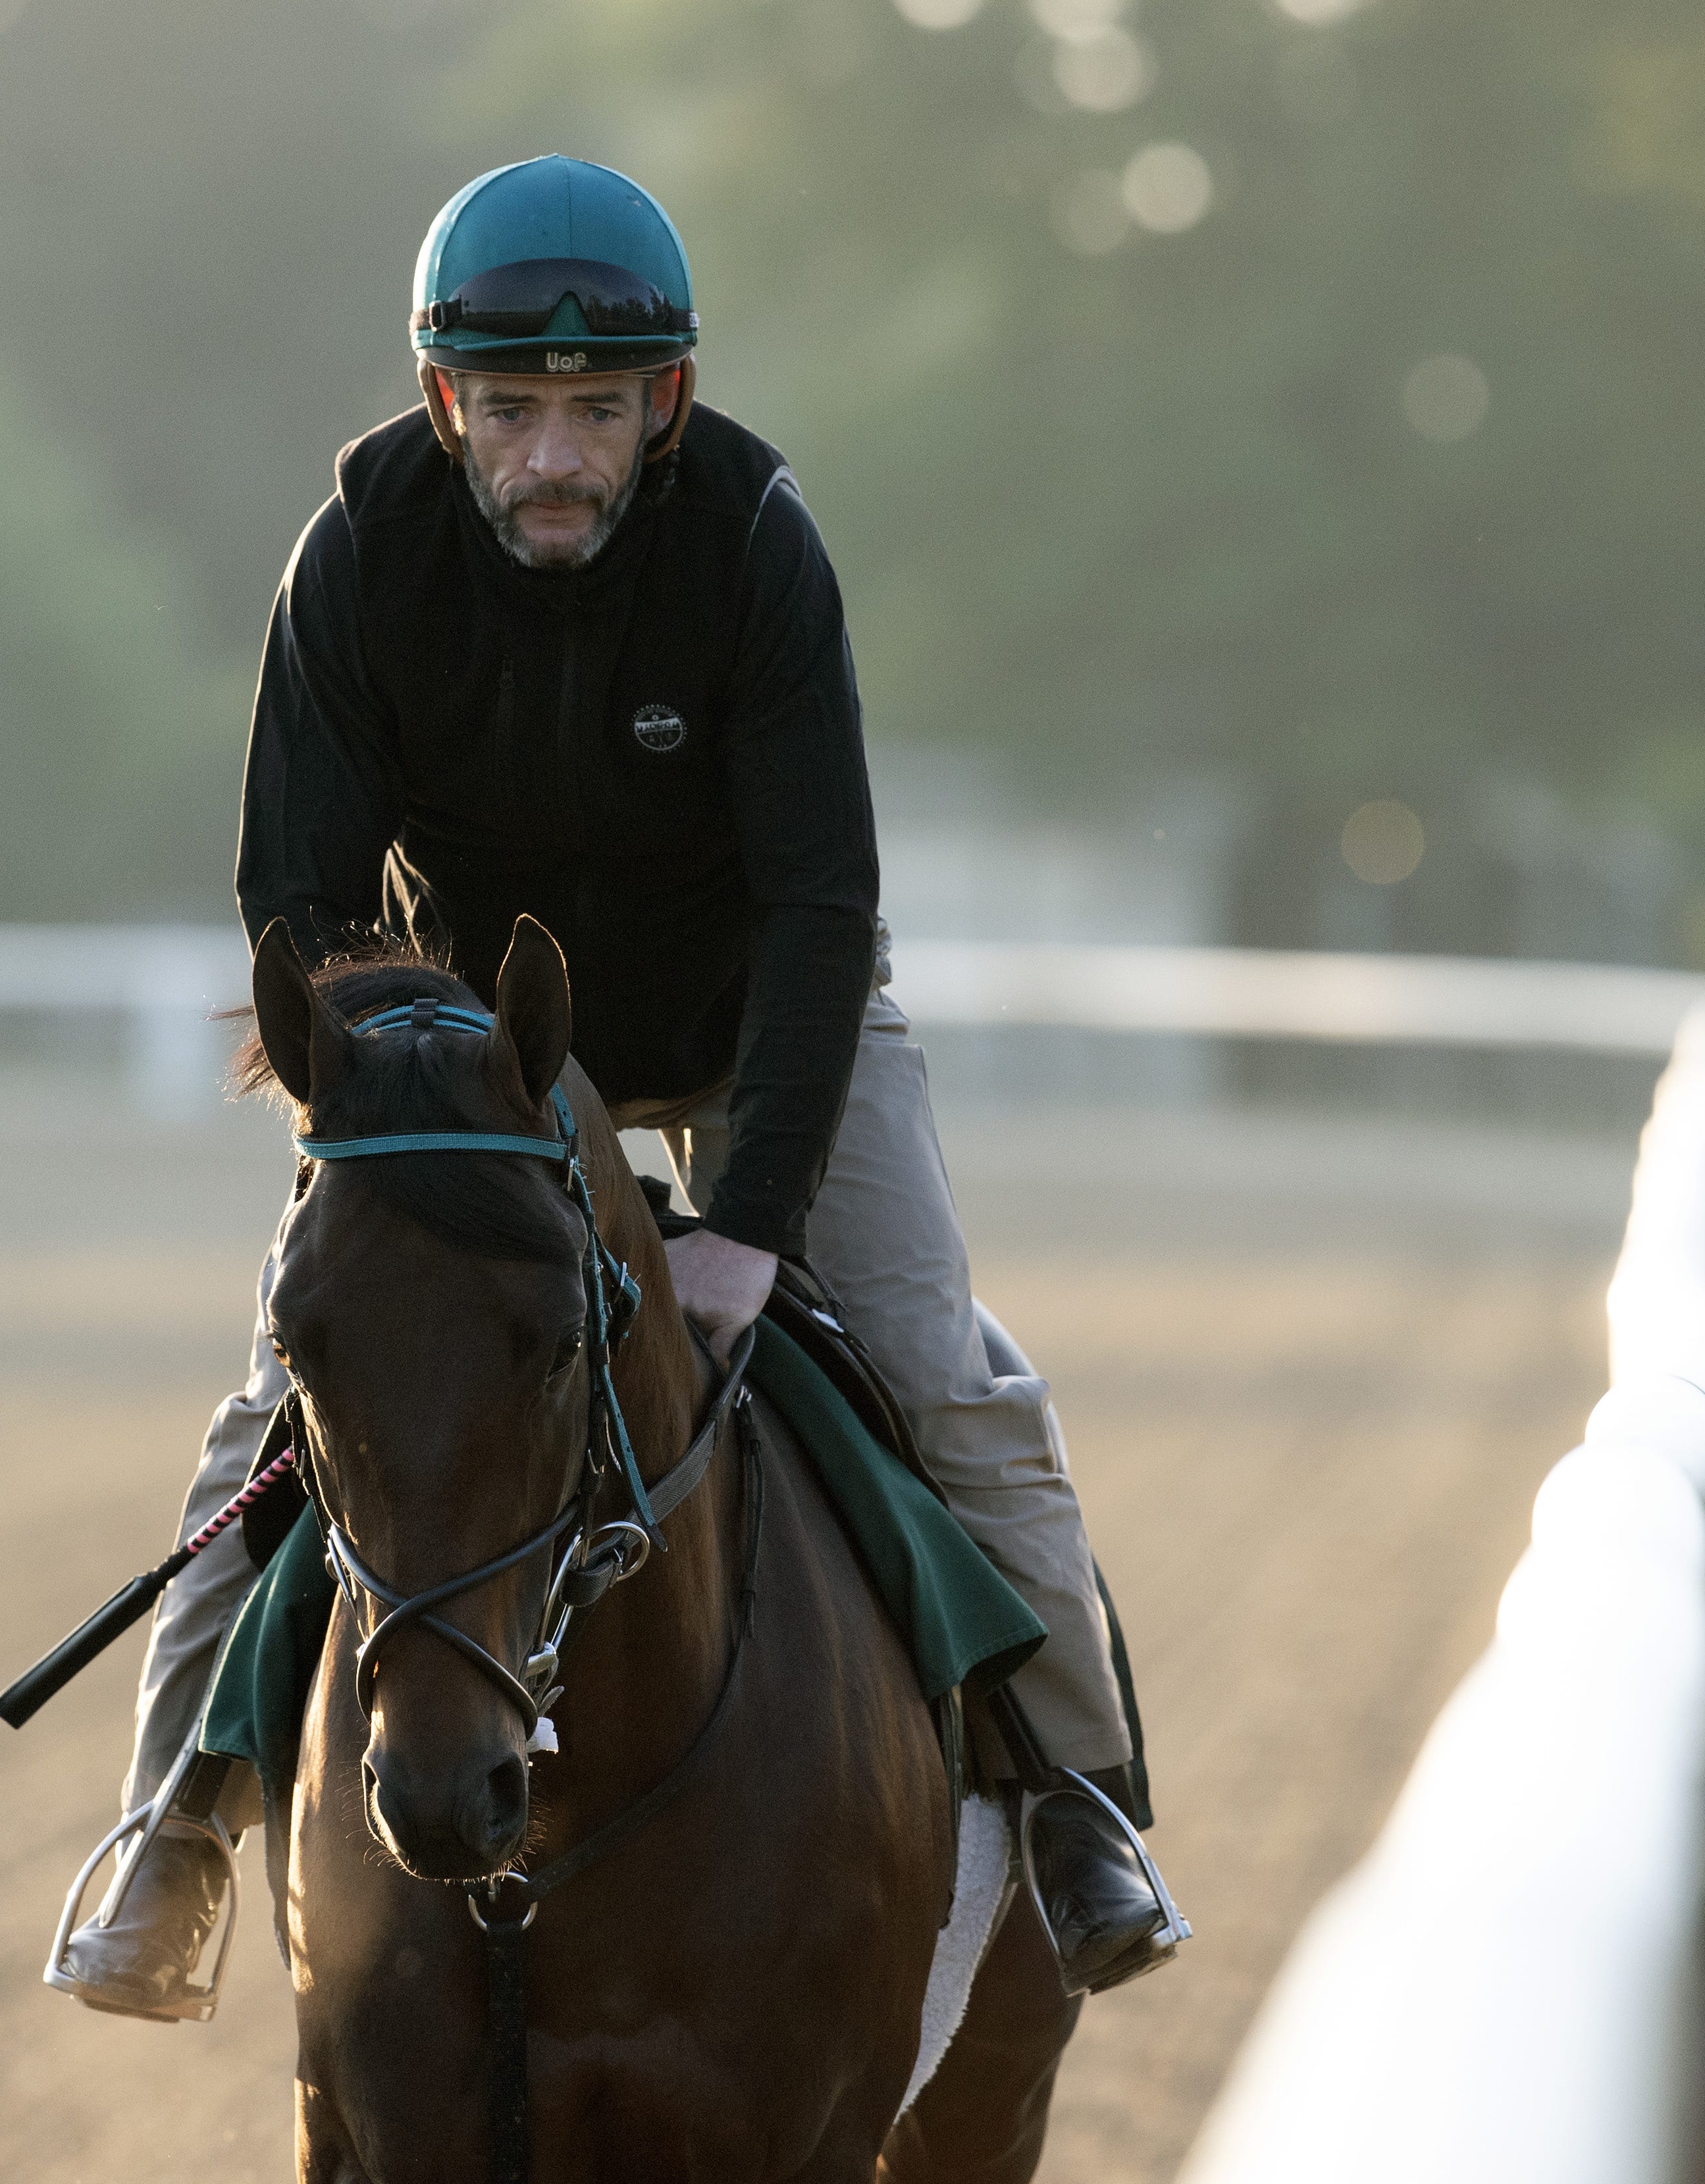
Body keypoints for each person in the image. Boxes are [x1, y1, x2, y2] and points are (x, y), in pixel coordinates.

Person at [59, 154, 1168, 2019]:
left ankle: (1079, 1801)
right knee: (287, 1398)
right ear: (444, 408)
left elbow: (825, 910)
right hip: (492, 1058)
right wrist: (402, 1106)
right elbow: (299, 905)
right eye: (509, 413)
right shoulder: (352, 553)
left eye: (594, 413)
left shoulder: (749, 538)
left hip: (763, 1026)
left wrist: (742, 1235)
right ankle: (176, 1827)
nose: (551, 456)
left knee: (952, 1383)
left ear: (665, 405)